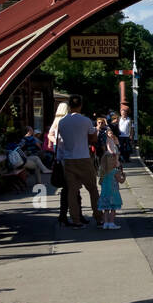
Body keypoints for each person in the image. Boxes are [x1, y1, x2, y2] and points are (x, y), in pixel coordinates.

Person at [56, 94, 101, 228]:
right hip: (83, 158)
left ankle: (76, 220)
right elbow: (93, 138)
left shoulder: (62, 122)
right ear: (80, 105)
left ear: (69, 105)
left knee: (72, 191)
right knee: (93, 189)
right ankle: (99, 218)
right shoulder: (86, 121)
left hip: (69, 160)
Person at [97, 132, 122, 230]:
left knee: (106, 210)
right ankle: (111, 223)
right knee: (113, 210)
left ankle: (105, 223)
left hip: (104, 194)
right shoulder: (115, 171)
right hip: (113, 194)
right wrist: (124, 177)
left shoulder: (102, 172)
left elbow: (100, 182)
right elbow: (120, 181)